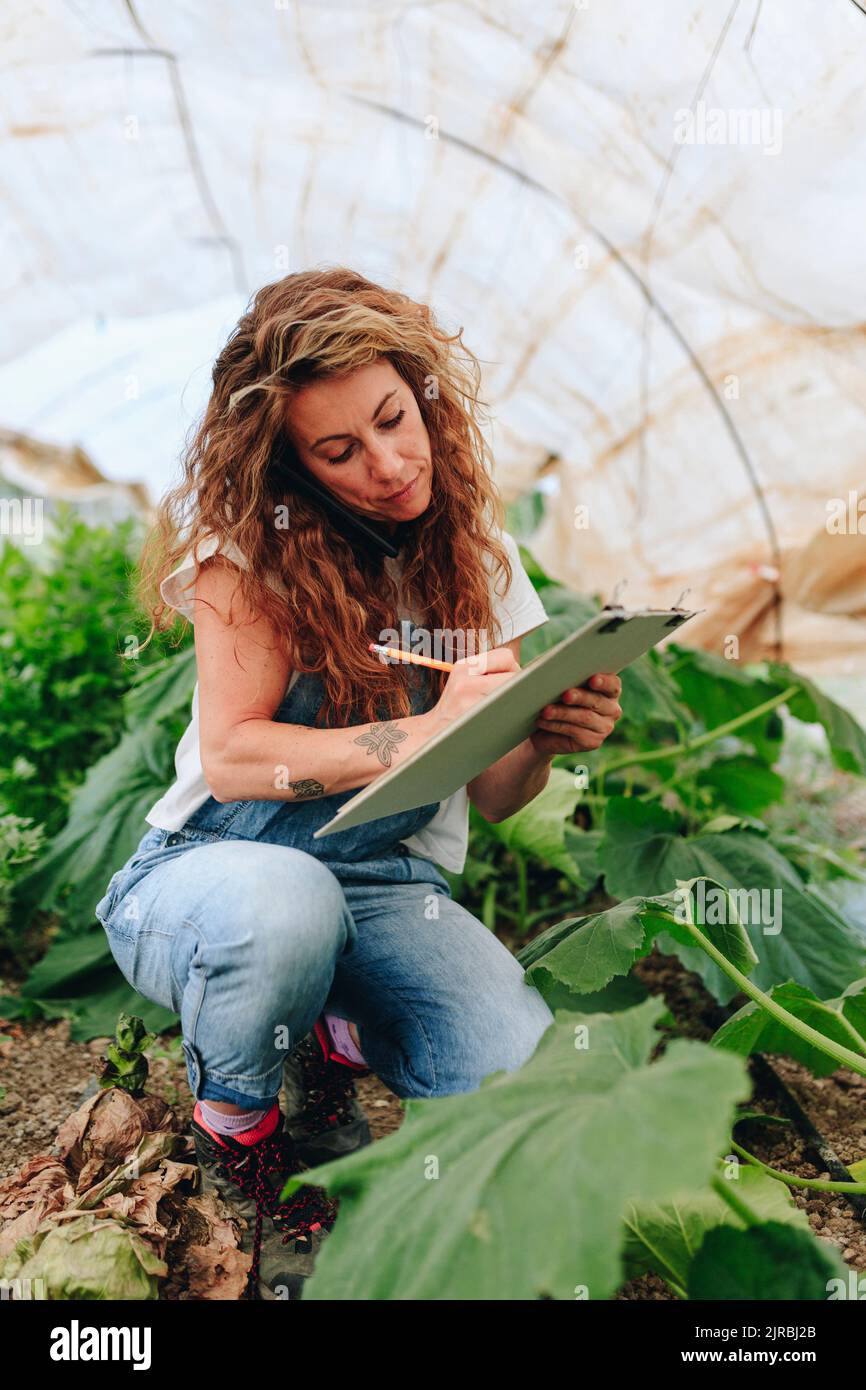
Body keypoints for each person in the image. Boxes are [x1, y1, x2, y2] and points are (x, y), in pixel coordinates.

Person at [94, 266, 624, 1299]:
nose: (386, 464)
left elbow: (496, 789)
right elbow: (240, 755)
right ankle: (240, 1123)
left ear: (421, 392)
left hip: (390, 890)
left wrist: (546, 736)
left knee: (514, 1078)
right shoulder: (245, 556)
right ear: (289, 467)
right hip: (219, 871)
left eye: (393, 419)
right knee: (285, 908)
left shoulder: (477, 555)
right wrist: (419, 729)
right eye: (338, 451)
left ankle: (328, 1040)